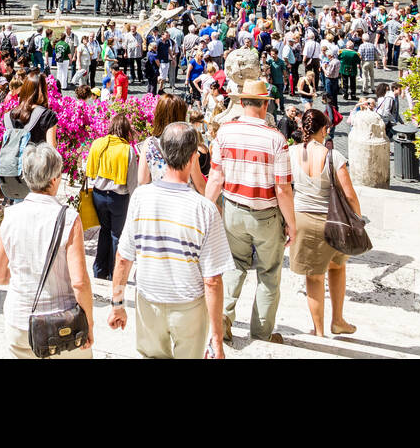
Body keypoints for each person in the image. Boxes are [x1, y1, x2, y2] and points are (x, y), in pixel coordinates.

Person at [109, 122, 232, 359]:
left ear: (162, 153)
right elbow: (213, 280)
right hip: (188, 307)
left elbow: (123, 257)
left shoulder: (140, 198)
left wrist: (117, 304)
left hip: (148, 301)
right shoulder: (205, 209)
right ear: (194, 156)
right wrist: (216, 339)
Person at [205, 78, 295, 345]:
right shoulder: (276, 139)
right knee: (269, 274)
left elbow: (215, 178)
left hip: (233, 209)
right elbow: (283, 189)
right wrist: (292, 224)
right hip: (266, 214)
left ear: (242, 102)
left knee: (233, 266)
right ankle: (262, 333)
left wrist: (207, 211)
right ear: (265, 105)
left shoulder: (224, 133)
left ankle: (224, 317)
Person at [0, 143, 94, 359]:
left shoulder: (11, 216)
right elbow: (79, 282)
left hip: (20, 322)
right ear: (54, 179)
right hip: (62, 325)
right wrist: (89, 323)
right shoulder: (69, 218)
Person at [289, 109, 360, 337]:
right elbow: (349, 195)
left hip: (303, 219)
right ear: (323, 130)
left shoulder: (290, 153)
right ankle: (337, 320)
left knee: (314, 276)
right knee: (338, 267)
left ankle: (318, 330)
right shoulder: (333, 156)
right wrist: (356, 221)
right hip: (333, 221)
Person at [83, 112, 139, 280]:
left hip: (99, 195)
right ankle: (115, 273)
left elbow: (87, 169)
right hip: (118, 198)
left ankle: (99, 270)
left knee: (104, 231)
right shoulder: (127, 150)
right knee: (117, 235)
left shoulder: (98, 144)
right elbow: (132, 182)